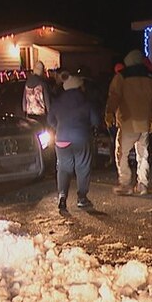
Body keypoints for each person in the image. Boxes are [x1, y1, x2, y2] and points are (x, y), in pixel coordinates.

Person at [106, 50, 152, 195]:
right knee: (143, 154)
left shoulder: (122, 77)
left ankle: (125, 183)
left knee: (122, 153)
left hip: (127, 122)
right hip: (146, 123)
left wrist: (109, 113)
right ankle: (143, 183)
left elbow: (114, 97)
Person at [46, 73, 101, 211]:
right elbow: (96, 121)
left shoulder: (57, 102)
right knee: (82, 168)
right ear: (79, 87)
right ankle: (82, 198)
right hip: (81, 138)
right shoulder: (86, 101)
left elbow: (50, 120)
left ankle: (62, 196)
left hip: (62, 139)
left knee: (64, 168)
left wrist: (59, 127)